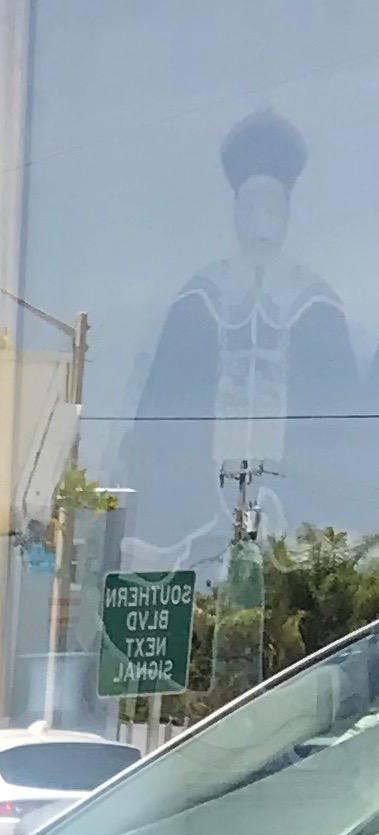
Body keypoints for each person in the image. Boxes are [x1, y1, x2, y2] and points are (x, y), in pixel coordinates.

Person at [121, 109, 363, 571]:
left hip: (293, 515)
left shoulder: (317, 304)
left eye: (272, 209)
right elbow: (161, 426)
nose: (260, 223)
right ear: (235, 212)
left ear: (289, 214)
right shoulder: (198, 298)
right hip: (201, 518)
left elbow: (340, 433)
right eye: (250, 208)